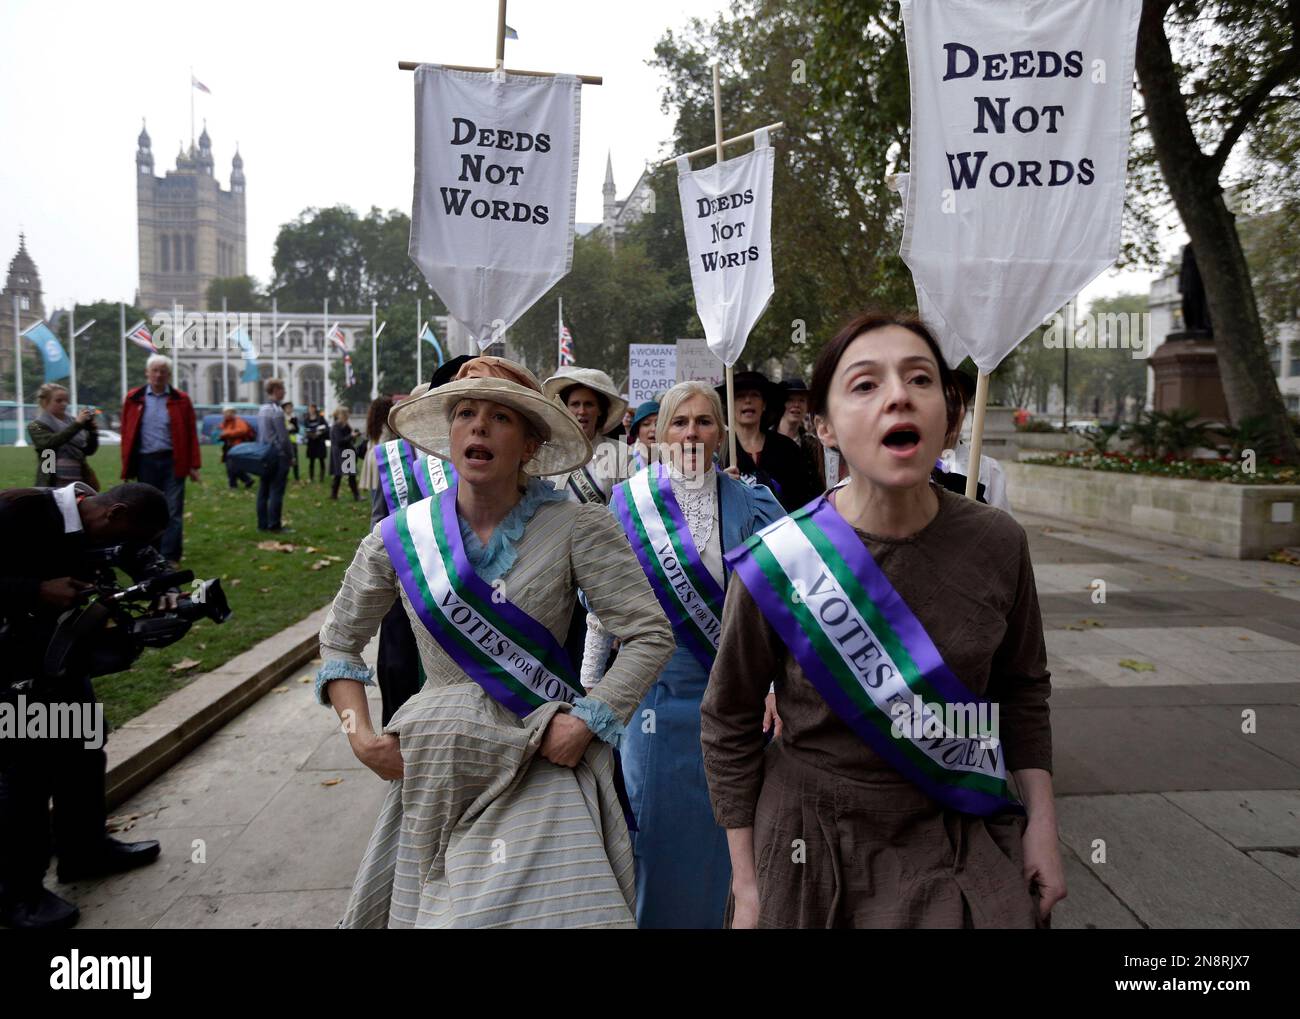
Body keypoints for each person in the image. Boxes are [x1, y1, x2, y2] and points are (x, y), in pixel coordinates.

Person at [701, 311, 1065, 929]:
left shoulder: (998, 541)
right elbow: (728, 720)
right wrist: (748, 883)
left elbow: (1023, 690)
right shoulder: (782, 559)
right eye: (865, 384)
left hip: (957, 822)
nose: (898, 395)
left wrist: (1043, 827)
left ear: (948, 416)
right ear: (825, 427)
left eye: (920, 379)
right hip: (811, 845)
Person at [315, 356, 674, 928]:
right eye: (465, 413)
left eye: (501, 418)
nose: (478, 427)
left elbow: (650, 634)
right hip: (434, 770)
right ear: (449, 435)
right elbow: (337, 643)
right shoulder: (401, 538)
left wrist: (589, 719)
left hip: (537, 757)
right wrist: (360, 737)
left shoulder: (577, 525)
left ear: (530, 445)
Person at [586, 380, 782, 928]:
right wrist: (589, 690)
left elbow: (783, 607)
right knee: (659, 839)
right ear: (658, 432)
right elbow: (602, 611)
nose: (691, 432)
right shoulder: (627, 504)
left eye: (703, 421)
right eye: (679, 421)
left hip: (738, 702)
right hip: (656, 702)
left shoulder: (753, 502)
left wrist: (773, 688)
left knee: (733, 841)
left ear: (721, 432)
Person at [0, 482, 170, 929]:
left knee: (82, 751)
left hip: (54, 658)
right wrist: (36, 589)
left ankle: (84, 850)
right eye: (128, 537)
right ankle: (17, 896)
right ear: (113, 514)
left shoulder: (83, 523)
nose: (123, 549)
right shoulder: (21, 513)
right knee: (27, 776)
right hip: (11, 665)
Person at [119, 355, 202, 563]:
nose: (158, 375)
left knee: (172, 511)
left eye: (163, 371)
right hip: (145, 461)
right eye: (154, 370)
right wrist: (127, 466)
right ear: (147, 373)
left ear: (169, 375)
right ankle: (151, 553)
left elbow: (191, 432)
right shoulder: (134, 398)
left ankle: (170, 556)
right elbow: (127, 433)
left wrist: (193, 465)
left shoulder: (181, 399)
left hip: (173, 461)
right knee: (148, 510)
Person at [716, 370, 818, 512]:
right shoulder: (717, 448)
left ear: (764, 405)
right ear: (730, 405)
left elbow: (805, 500)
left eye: (755, 395)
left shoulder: (787, 449)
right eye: (740, 396)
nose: (748, 400)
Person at [933, 368, 1010, 510]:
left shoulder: (988, 470)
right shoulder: (902, 466)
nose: (948, 410)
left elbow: (1004, 529)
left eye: (955, 401)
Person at [28, 383, 100, 490]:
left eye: (66, 400)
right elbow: (50, 442)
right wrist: (77, 425)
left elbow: (89, 451)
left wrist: (92, 431)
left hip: (78, 479)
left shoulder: (74, 422)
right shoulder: (35, 425)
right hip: (51, 479)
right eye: (59, 401)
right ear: (45, 402)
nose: (64, 404)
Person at [773, 377, 824, 491]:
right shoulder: (764, 440)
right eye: (790, 400)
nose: (796, 405)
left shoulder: (813, 444)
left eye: (802, 400)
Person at [256, 379, 293, 532]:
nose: (284, 392)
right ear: (276, 390)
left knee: (263, 491)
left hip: (264, 453)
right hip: (277, 455)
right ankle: (275, 524)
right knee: (276, 491)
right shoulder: (277, 411)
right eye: (282, 389)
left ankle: (262, 524)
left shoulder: (262, 409)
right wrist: (290, 455)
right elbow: (283, 438)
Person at [358, 395, 395, 495]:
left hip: (371, 456)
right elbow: (384, 446)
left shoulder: (375, 425)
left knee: (375, 493)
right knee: (381, 495)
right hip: (380, 458)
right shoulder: (385, 428)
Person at [219, 407, 256, 490]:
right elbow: (223, 432)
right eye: (225, 413)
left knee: (233, 466)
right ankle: (241, 482)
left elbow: (243, 430)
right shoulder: (225, 423)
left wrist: (227, 433)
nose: (226, 414)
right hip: (229, 446)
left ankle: (243, 481)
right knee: (230, 466)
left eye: (229, 412)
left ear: (233, 413)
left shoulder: (239, 421)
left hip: (238, 446)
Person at [329, 409, 359, 501]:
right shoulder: (336, 427)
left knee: (351, 475)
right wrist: (351, 436)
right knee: (338, 475)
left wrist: (354, 436)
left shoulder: (347, 426)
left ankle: (356, 495)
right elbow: (339, 441)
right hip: (340, 453)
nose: (346, 416)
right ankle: (334, 495)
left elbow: (350, 440)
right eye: (344, 414)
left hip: (347, 452)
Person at [626, 400, 659, 473]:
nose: (654, 429)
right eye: (646, 424)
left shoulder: (673, 458)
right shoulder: (625, 458)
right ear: (637, 431)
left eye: (658, 424)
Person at [304, 403, 329, 482]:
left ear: (315, 409)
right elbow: (305, 429)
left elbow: (326, 427)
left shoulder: (320, 418)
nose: (311, 410)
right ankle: (311, 477)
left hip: (320, 441)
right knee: (311, 460)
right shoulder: (306, 419)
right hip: (311, 442)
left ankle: (321, 478)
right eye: (310, 408)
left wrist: (319, 433)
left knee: (321, 459)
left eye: (312, 408)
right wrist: (309, 434)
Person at [282, 401, 301, 482]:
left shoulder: (294, 418)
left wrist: (293, 427)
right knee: (284, 460)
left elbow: (297, 429)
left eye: (291, 407)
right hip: (284, 441)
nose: (290, 409)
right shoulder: (282, 418)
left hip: (293, 441)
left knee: (295, 459)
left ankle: (296, 477)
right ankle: (284, 477)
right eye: (288, 407)